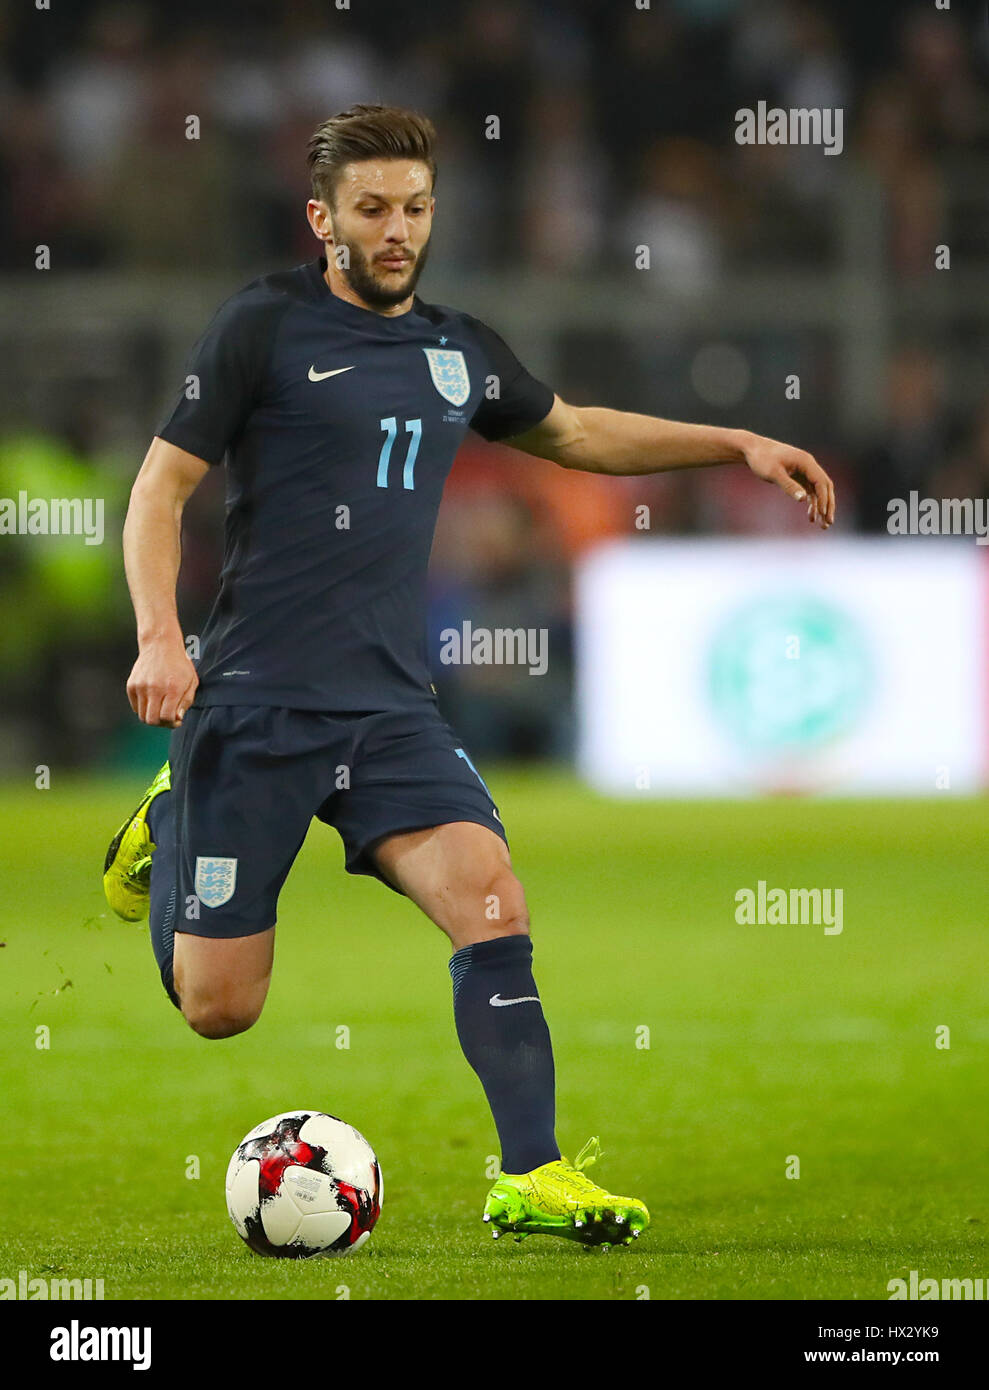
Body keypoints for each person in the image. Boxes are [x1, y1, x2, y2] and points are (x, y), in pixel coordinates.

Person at [103, 104, 834, 1249]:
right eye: (372, 210)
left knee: (490, 898)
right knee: (219, 1009)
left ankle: (529, 1173)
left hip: (389, 707)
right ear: (323, 217)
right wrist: (160, 635)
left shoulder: (457, 350)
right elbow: (159, 491)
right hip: (255, 702)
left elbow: (580, 432)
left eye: (414, 208)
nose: (397, 231)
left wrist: (730, 442)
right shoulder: (261, 327)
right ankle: (174, 811)